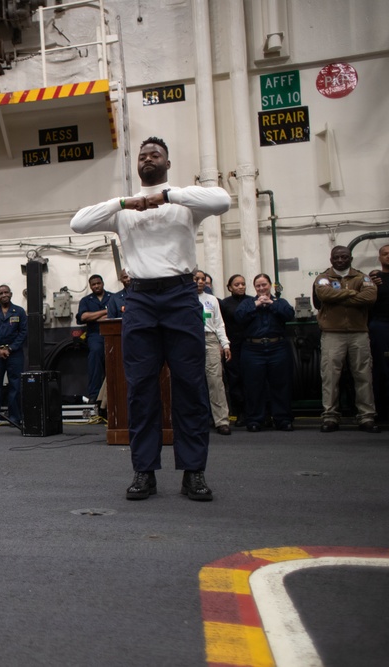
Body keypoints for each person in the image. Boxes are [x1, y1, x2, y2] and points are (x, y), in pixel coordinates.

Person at [71, 136, 230, 502]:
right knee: (140, 389)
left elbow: (223, 200)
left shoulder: (185, 201)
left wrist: (168, 196)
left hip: (180, 296)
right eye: (142, 155)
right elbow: (78, 223)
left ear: (167, 163)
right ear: (137, 165)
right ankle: (144, 472)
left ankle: (194, 473)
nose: (148, 158)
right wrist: (126, 202)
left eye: (155, 154)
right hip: (140, 298)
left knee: (190, 386)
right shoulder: (123, 209)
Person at [312, 245, 380, 433]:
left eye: (344, 257)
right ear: (331, 259)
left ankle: (366, 416)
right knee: (330, 376)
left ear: (351, 258)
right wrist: (352, 293)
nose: (340, 260)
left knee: (363, 374)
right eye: (337, 257)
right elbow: (324, 294)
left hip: (359, 333)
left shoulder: (362, 277)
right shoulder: (323, 278)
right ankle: (330, 416)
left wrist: (338, 297)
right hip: (332, 333)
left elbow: (370, 297)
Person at [234, 274, 295, 432]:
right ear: (254, 288)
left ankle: (283, 419)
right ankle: (255, 420)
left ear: (270, 285)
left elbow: (289, 314)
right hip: (253, 349)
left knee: (281, 385)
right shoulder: (247, 303)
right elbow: (239, 317)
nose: (261, 289)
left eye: (264, 285)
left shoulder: (280, 302)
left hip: (278, 347)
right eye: (258, 286)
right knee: (253, 386)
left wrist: (271, 304)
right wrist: (256, 305)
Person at [0, 284, 28, 426]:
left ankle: (15, 418)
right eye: (0, 293)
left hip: (14, 354)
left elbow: (23, 333)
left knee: (15, 386)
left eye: (6, 292)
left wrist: (10, 348)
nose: (3, 295)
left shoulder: (19, 311)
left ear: (11, 294)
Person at [368, 245, 389, 421]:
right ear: (380, 258)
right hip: (382, 327)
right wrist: (371, 284)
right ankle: (382, 409)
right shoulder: (375, 278)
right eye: (385, 254)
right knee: (383, 368)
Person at [194, 271, 232, 435]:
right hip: (190, 341)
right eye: (197, 279)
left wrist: (225, 344)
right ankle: (196, 420)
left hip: (209, 339)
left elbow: (219, 324)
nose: (200, 282)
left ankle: (221, 420)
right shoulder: (184, 300)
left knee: (215, 382)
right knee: (192, 382)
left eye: (203, 279)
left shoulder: (212, 300)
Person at [219, 275, 251, 426]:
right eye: (237, 284)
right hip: (232, 345)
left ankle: (255, 412)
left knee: (250, 378)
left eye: (243, 284)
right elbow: (221, 325)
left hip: (250, 345)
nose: (240, 287)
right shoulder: (225, 304)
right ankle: (239, 412)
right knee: (235, 379)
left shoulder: (251, 301)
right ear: (230, 287)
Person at [76, 274, 111, 403]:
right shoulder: (86, 300)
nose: (96, 286)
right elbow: (84, 317)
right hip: (95, 335)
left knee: (115, 363)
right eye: (93, 284)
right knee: (95, 358)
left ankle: (113, 395)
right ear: (90, 286)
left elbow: (116, 313)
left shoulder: (113, 297)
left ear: (103, 283)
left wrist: (94, 317)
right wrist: (105, 312)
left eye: (98, 283)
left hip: (113, 335)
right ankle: (94, 396)